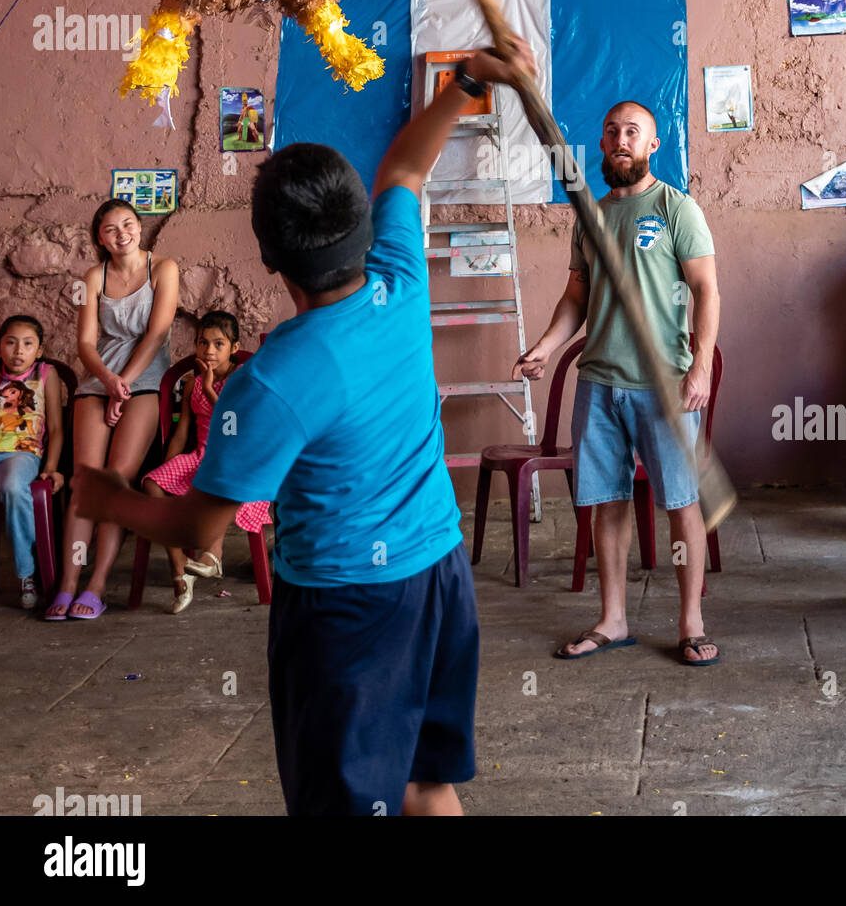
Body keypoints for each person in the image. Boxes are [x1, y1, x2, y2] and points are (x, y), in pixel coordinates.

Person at [74, 40, 535, 816]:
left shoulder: (270, 382)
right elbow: (405, 172)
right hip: (440, 578)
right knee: (427, 782)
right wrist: (462, 85)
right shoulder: (400, 274)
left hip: (349, 610)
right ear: (359, 223)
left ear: (267, 256)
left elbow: (198, 528)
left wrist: (105, 497)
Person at [514, 100, 721, 667]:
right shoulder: (589, 216)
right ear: (602, 145)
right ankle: (613, 619)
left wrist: (700, 365)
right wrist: (547, 346)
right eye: (611, 131)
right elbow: (576, 297)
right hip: (600, 384)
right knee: (607, 502)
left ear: (653, 145)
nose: (621, 139)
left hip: (665, 383)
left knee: (681, 503)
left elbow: (706, 291)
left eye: (633, 131)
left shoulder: (677, 208)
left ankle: (691, 622)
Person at [45, 199, 178, 620]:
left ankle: (98, 585)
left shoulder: (164, 268)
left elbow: (157, 334)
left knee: (116, 480)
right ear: (99, 238)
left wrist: (126, 384)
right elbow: (85, 343)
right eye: (109, 228)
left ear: (140, 228)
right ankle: (67, 586)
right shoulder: (93, 276)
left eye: (128, 224)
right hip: (100, 378)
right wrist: (108, 381)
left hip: (147, 380)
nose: (121, 233)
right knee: (85, 484)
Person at [141, 311, 270, 614]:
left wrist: (212, 390)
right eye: (202, 343)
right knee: (151, 483)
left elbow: (235, 426)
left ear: (234, 347)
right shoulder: (191, 385)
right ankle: (180, 570)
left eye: (218, 344)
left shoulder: (244, 378)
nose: (209, 351)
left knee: (217, 480)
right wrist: (168, 469)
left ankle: (212, 555)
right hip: (200, 456)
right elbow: (181, 430)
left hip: (238, 459)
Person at [0, 315, 64, 608]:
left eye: (27, 344)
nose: (18, 350)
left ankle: (27, 573)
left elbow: (58, 430)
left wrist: (50, 468)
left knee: (12, 486)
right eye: (10, 343)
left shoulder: (46, 375)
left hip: (21, 453)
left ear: (39, 350)